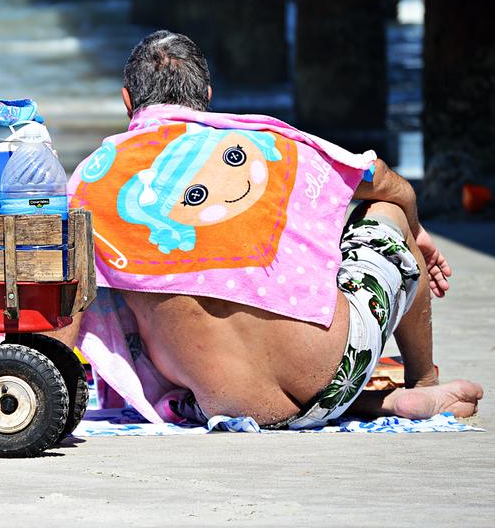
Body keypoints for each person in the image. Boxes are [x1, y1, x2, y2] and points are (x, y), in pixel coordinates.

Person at [55, 30, 483, 428]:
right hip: (338, 372)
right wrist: (415, 231)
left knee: (125, 277)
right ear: (207, 96)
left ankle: (372, 401)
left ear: (128, 101)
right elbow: (382, 179)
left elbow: (67, 294)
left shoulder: (93, 179)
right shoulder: (268, 143)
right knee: (386, 210)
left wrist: (46, 384)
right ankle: (422, 380)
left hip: (224, 404)